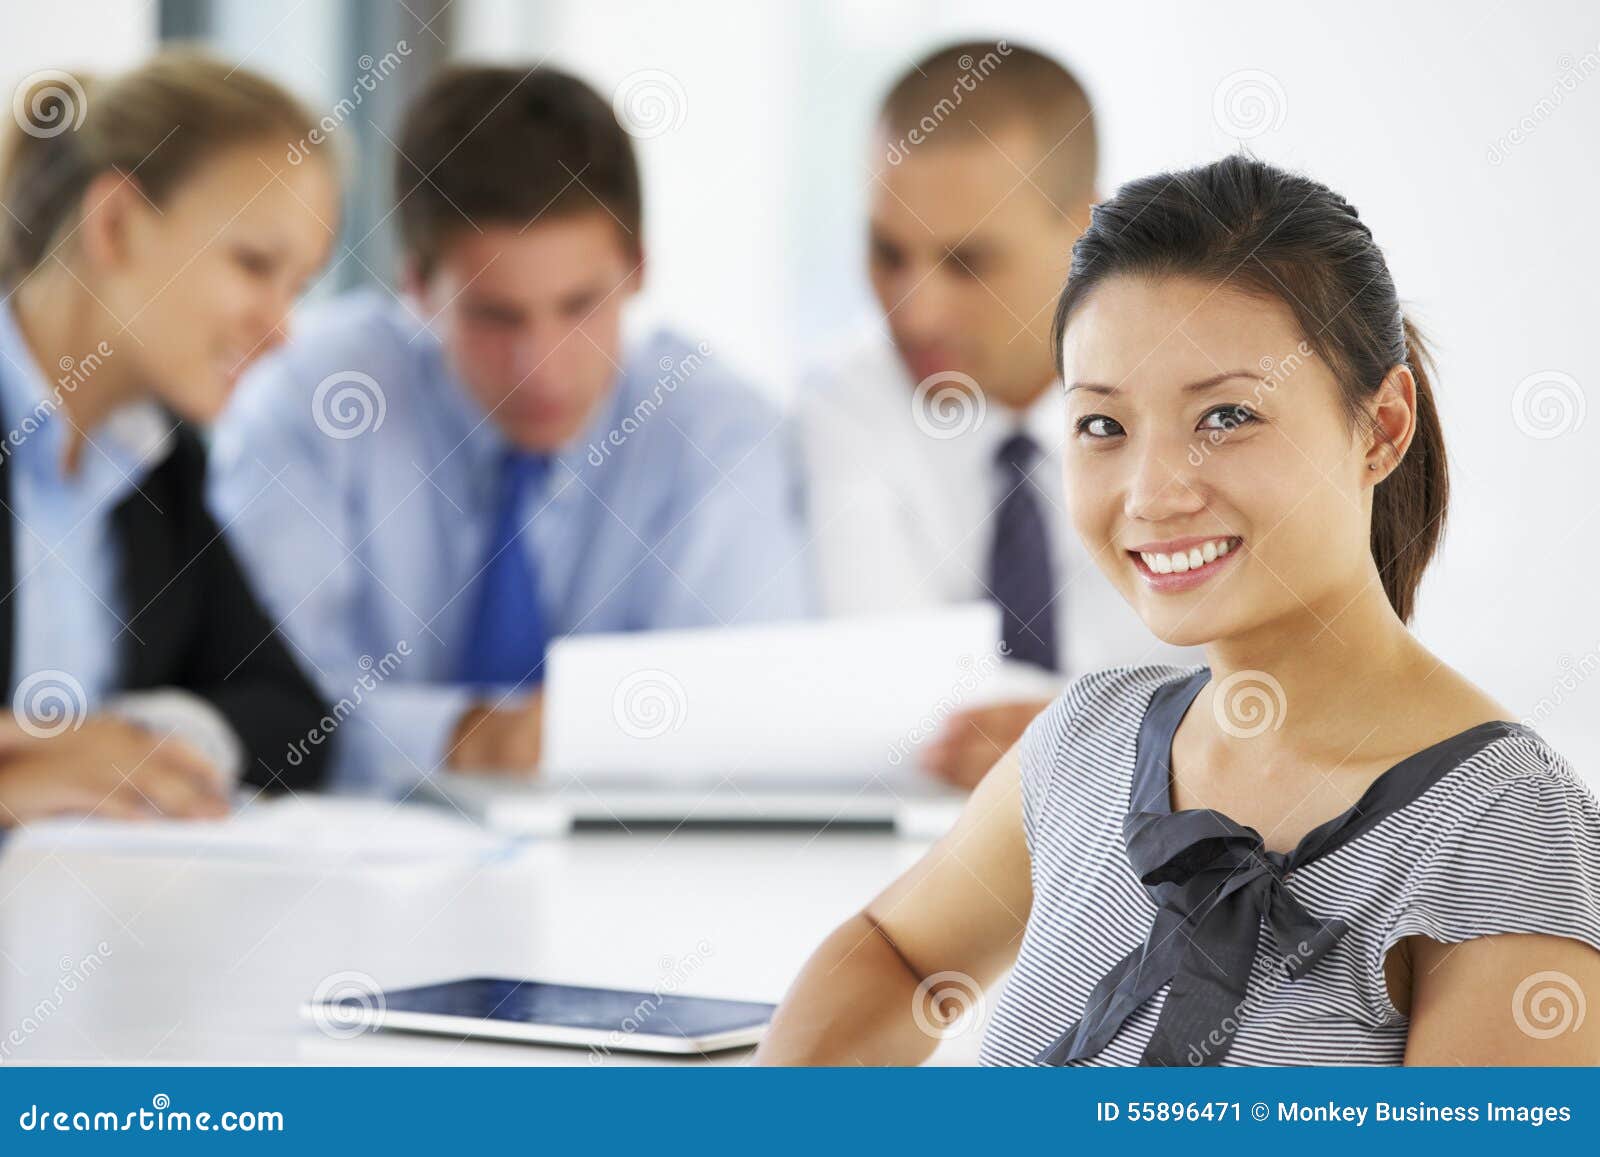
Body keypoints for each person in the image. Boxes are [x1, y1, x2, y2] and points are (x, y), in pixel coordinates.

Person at [757, 155, 1600, 1066]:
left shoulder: (1504, 829)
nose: (1152, 493)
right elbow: (895, 953)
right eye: (1104, 425)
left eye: (1226, 417)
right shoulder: (1089, 739)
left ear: (1382, 427)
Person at [209, 65, 811, 793]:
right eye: (495, 316)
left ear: (639, 268)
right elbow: (264, 703)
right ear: (416, 286)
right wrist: (468, 737)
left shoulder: (717, 433)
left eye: (580, 306)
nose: (542, 370)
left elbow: (743, 717)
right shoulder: (314, 404)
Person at [797, 41, 1196, 790]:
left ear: (1087, 230)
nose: (914, 312)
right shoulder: (846, 404)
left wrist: (1073, 736)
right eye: (887, 253)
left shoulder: (1208, 404)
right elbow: (899, 696)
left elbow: (1274, 690)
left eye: (966, 262)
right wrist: (1137, 732)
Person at [0, 51, 338, 827]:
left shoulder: (157, 461)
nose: (280, 330)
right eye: (254, 265)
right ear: (115, 224)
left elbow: (293, 718)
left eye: (298, 286)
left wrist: (129, 742)